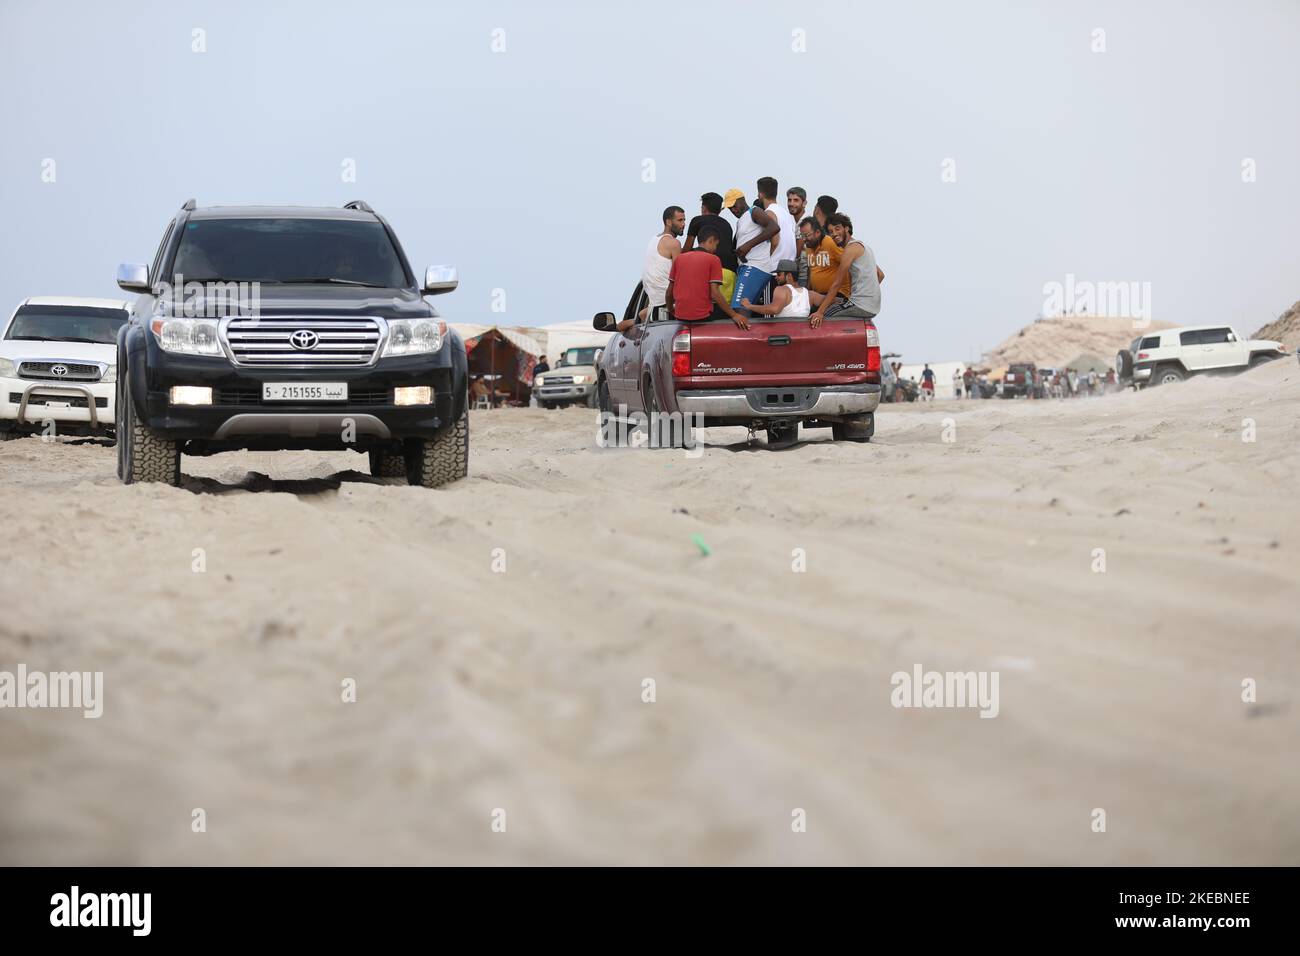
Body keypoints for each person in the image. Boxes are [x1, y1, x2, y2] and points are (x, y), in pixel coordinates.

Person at [665, 225, 748, 329]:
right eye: (716, 245)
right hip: (702, 316)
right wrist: (734, 315)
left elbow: (669, 292)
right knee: (729, 313)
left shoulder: (679, 259)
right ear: (711, 240)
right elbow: (715, 293)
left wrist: (672, 310)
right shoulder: (713, 259)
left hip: (680, 315)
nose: (715, 249)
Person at [810, 213, 882, 327]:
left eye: (837, 228)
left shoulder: (850, 249)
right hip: (872, 305)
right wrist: (869, 294)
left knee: (824, 316)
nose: (834, 234)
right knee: (832, 302)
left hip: (860, 305)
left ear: (846, 228)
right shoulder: (862, 246)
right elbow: (880, 275)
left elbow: (837, 283)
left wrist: (819, 312)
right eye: (830, 231)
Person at [725, 187, 780, 309]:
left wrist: (748, 245)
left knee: (738, 307)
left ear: (742, 200)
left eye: (734, 206)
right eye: (730, 208)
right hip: (747, 267)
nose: (733, 210)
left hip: (755, 266)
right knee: (746, 308)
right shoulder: (741, 220)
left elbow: (774, 227)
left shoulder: (754, 211)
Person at [683, 192, 739, 302]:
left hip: (710, 271)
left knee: (705, 306)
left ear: (704, 208)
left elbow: (686, 250)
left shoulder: (697, 220)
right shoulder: (727, 225)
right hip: (730, 272)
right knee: (724, 308)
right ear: (720, 210)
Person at [739, 259, 834, 319]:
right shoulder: (810, 295)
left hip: (784, 335)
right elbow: (833, 300)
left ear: (789, 276)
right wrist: (819, 313)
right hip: (801, 336)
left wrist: (749, 306)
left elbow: (774, 309)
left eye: (779, 274)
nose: (776, 277)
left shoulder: (782, 289)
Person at [641, 206, 684, 321]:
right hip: (667, 299)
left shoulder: (654, 239)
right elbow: (679, 276)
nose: (683, 224)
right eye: (680, 220)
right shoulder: (674, 243)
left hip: (654, 298)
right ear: (668, 222)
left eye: (684, 220)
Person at [799, 217, 850, 306]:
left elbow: (849, 264)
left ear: (818, 232)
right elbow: (811, 271)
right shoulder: (808, 247)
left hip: (837, 294)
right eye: (802, 236)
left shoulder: (830, 243)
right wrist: (807, 290)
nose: (804, 239)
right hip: (818, 295)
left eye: (807, 235)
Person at [757, 177, 799, 264]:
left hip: (775, 266)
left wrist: (765, 259)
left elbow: (775, 241)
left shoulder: (769, 212)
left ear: (760, 194)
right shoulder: (787, 214)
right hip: (790, 265)